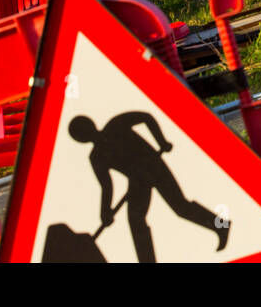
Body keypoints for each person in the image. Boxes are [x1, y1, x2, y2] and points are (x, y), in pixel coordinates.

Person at [68, 112, 229, 262]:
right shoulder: (97, 156)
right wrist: (105, 211)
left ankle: (221, 226)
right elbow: (106, 186)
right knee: (136, 220)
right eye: (81, 135)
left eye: (83, 132)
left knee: (180, 207)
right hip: (138, 181)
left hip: (154, 166)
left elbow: (146, 117)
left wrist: (161, 141)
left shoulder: (115, 126)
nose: (85, 136)